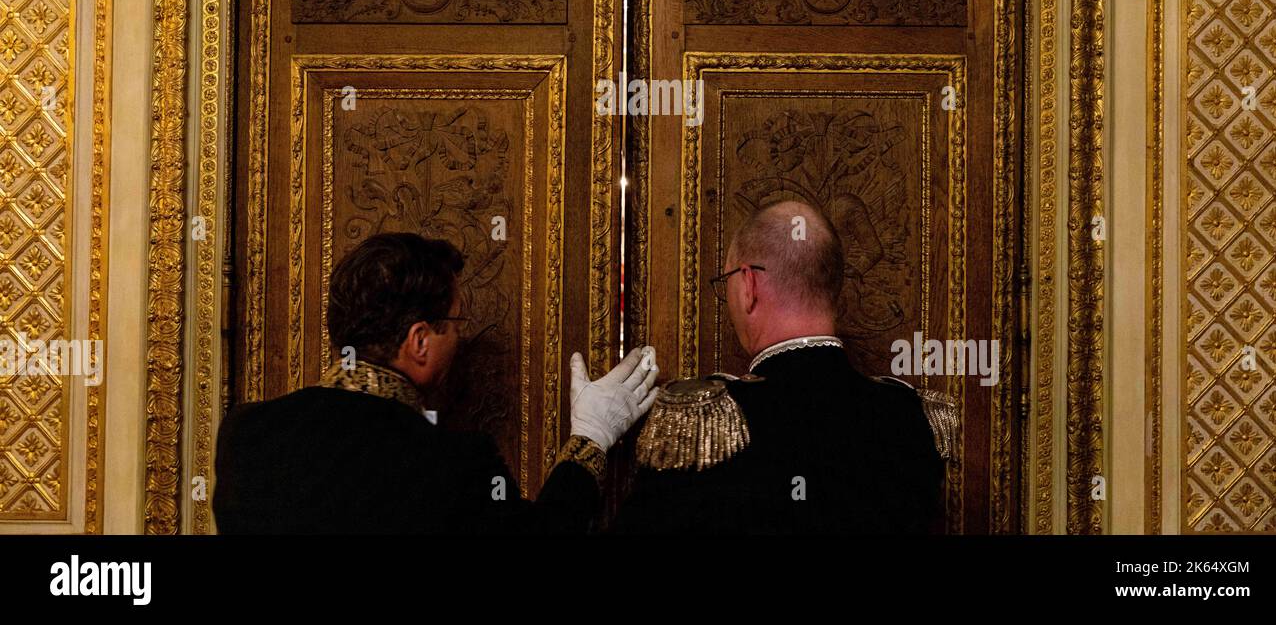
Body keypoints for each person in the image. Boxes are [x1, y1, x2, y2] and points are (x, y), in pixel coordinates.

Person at [214, 231, 658, 533]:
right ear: (420, 341)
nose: (461, 334)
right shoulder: (452, 464)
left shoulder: (246, 435)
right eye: (454, 321)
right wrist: (590, 438)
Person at [615, 200, 944, 534]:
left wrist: (586, 446)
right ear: (832, 288)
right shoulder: (913, 418)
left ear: (748, 286)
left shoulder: (698, 422)